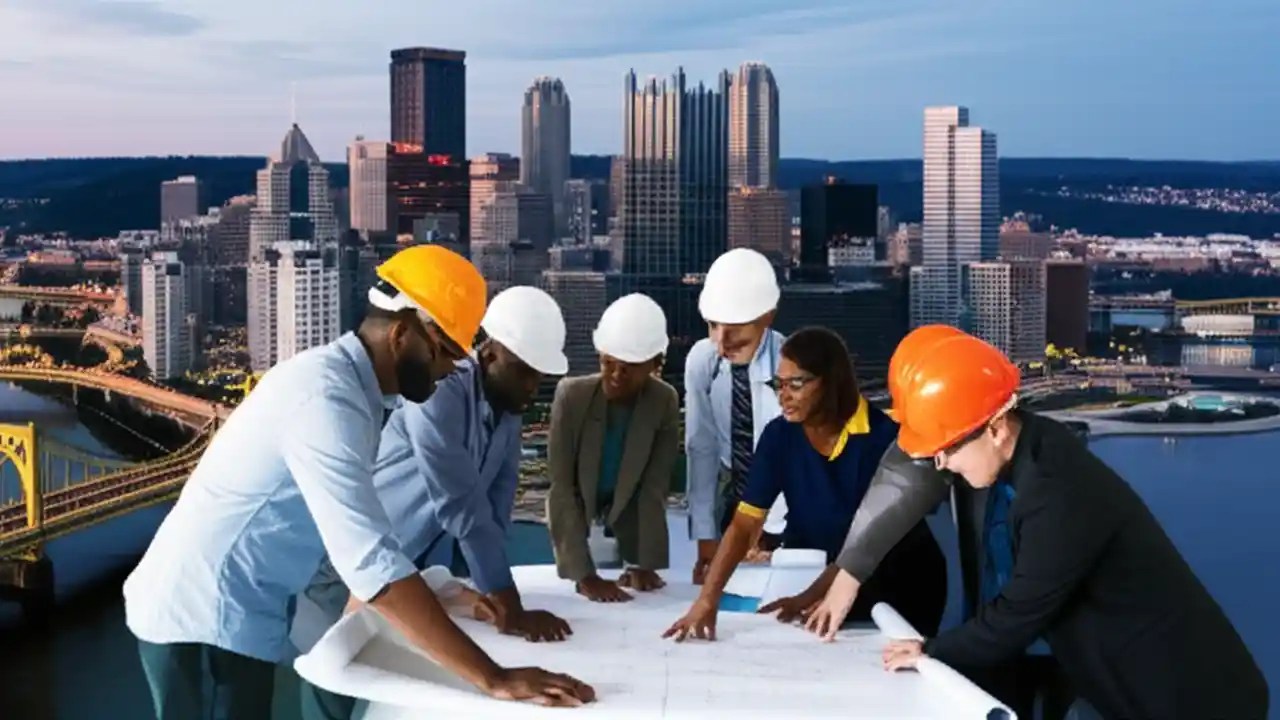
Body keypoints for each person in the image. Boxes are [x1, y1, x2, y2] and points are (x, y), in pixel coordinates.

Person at [123, 247, 594, 720]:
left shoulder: (361, 397)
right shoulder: (326, 399)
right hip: (203, 617)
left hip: (244, 614)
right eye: (447, 351)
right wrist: (495, 678)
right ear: (403, 333)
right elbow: (370, 561)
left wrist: (450, 592)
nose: (452, 369)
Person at [839, 327, 1268, 719]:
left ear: (995, 429)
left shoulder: (1055, 490)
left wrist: (929, 651)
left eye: (948, 449)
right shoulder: (1028, 447)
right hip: (1141, 685)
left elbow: (1016, 616)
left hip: (1197, 702)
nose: (943, 464)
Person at [295, 285, 577, 719]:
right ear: (488, 356)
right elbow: (461, 505)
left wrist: (493, 594)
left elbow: (495, 507)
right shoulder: (439, 392)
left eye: (539, 374)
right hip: (353, 563)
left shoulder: (507, 413)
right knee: (338, 672)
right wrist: (512, 608)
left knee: (389, 688)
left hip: (413, 571)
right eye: (523, 371)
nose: (532, 385)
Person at [664, 327, 947, 642]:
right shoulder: (779, 436)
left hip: (897, 587)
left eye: (795, 384)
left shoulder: (882, 441)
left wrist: (807, 597)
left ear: (831, 382)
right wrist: (707, 600)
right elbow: (745, 524)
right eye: (778, 384)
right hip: (825, 583)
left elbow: (864, 544)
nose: (783, 395)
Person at [546, 293, 680, 603]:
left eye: (630, 367)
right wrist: (584, 575)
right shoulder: (571, 396)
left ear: (655, 364)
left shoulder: (664, 401)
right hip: (578, 502)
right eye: (609, 363)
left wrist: (643, 564)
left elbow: (652, 487)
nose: (617, 376)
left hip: (629, 506)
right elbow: (563, 488)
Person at [685, 248, 789, 584]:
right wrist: (706, 538)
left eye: (734, 328)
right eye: (713, 326)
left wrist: (770, 533)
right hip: (733, 499)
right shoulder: (702, 361)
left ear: (768, 316)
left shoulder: (790, 365)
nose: (721, 341)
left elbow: (791, 460)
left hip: (788, 509)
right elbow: (701, 450)